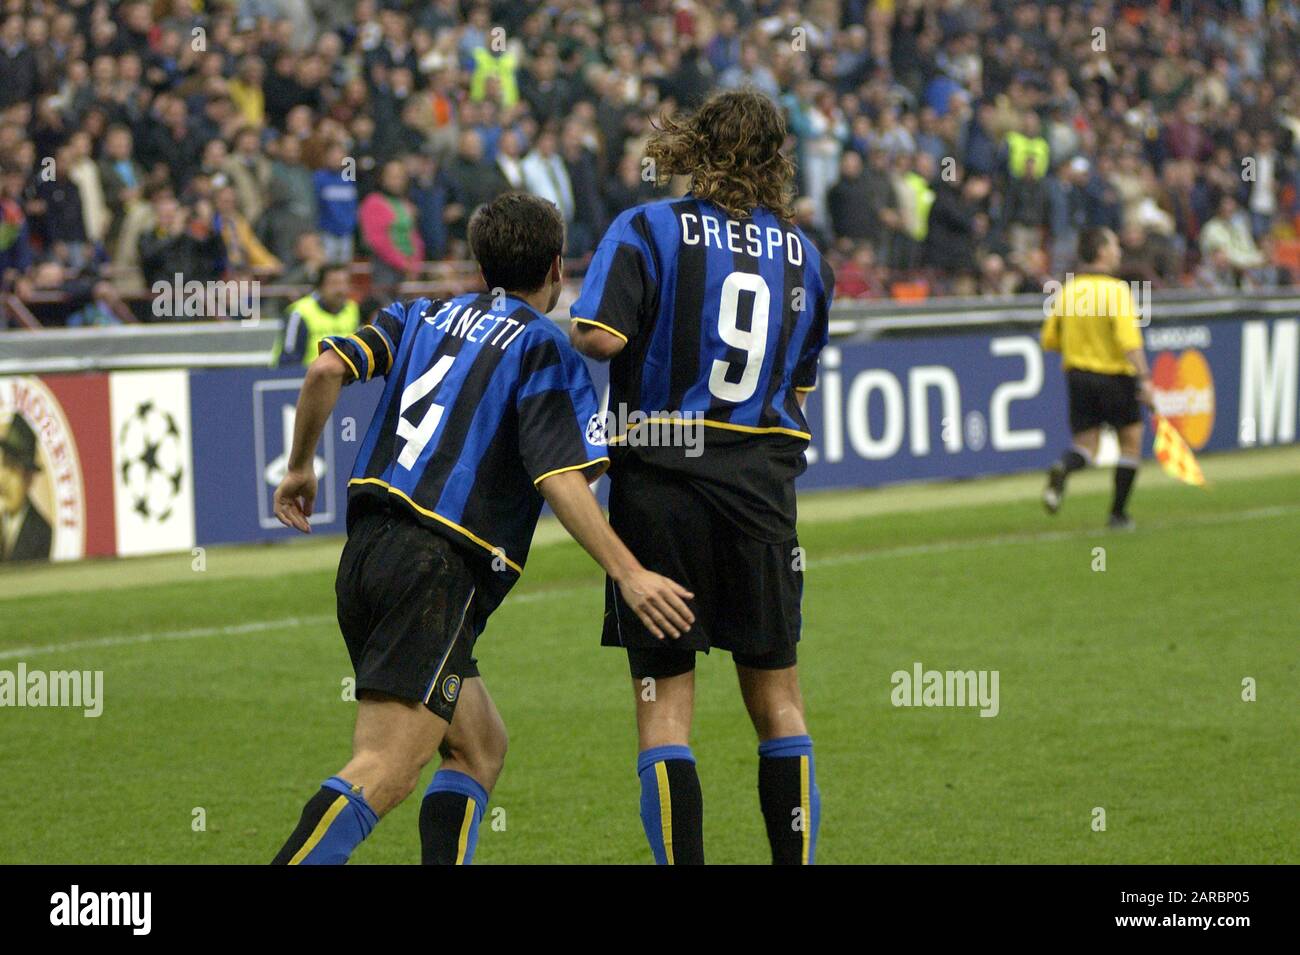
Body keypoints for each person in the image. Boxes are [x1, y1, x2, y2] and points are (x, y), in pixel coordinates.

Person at [269, 192, 692, 865]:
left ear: (479, 260)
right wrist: (628, 570)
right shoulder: (543, 348)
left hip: (367, 553)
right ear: (558, 267)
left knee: (478, 745)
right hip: (435, 566)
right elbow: (561, 480)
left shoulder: (418, 314)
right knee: (384, 765)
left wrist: (298, 468)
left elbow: (325, 368)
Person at [569, 89, 833, 865]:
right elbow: (800, 388)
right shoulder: (806, 255)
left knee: (664, 711)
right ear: (776, 160)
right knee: (779, 702)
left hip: (660, 484)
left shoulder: (646, 227)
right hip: (761, 489)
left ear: (692, 143)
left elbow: (599, 336)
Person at [1041, 226, 1153, 530]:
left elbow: (1049, 340)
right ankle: (1117, 514)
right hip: (1115, 377)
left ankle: (1064, 466)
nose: (1118, 251)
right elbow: (1129, 343)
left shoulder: (1068, 291)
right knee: (1130, 443)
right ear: (1102, 251)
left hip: (1077, 376)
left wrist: (1081, 343)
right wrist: (1146, 381)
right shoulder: (1116, 291)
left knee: (1086, 447)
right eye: (1115, 245)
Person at [273, 263, 359, 367]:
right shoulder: (299, 312)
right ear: (320, 286)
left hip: (344, 379)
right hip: (309, 378)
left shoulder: (353, 309)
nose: (340, 290)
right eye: (334, 284)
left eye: (344, 283)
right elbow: (289, 359)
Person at [0, 413, 51, 562]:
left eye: (14, 470)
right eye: (5, 466)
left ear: (28, 479)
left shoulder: (42, 534)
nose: (4, 480)